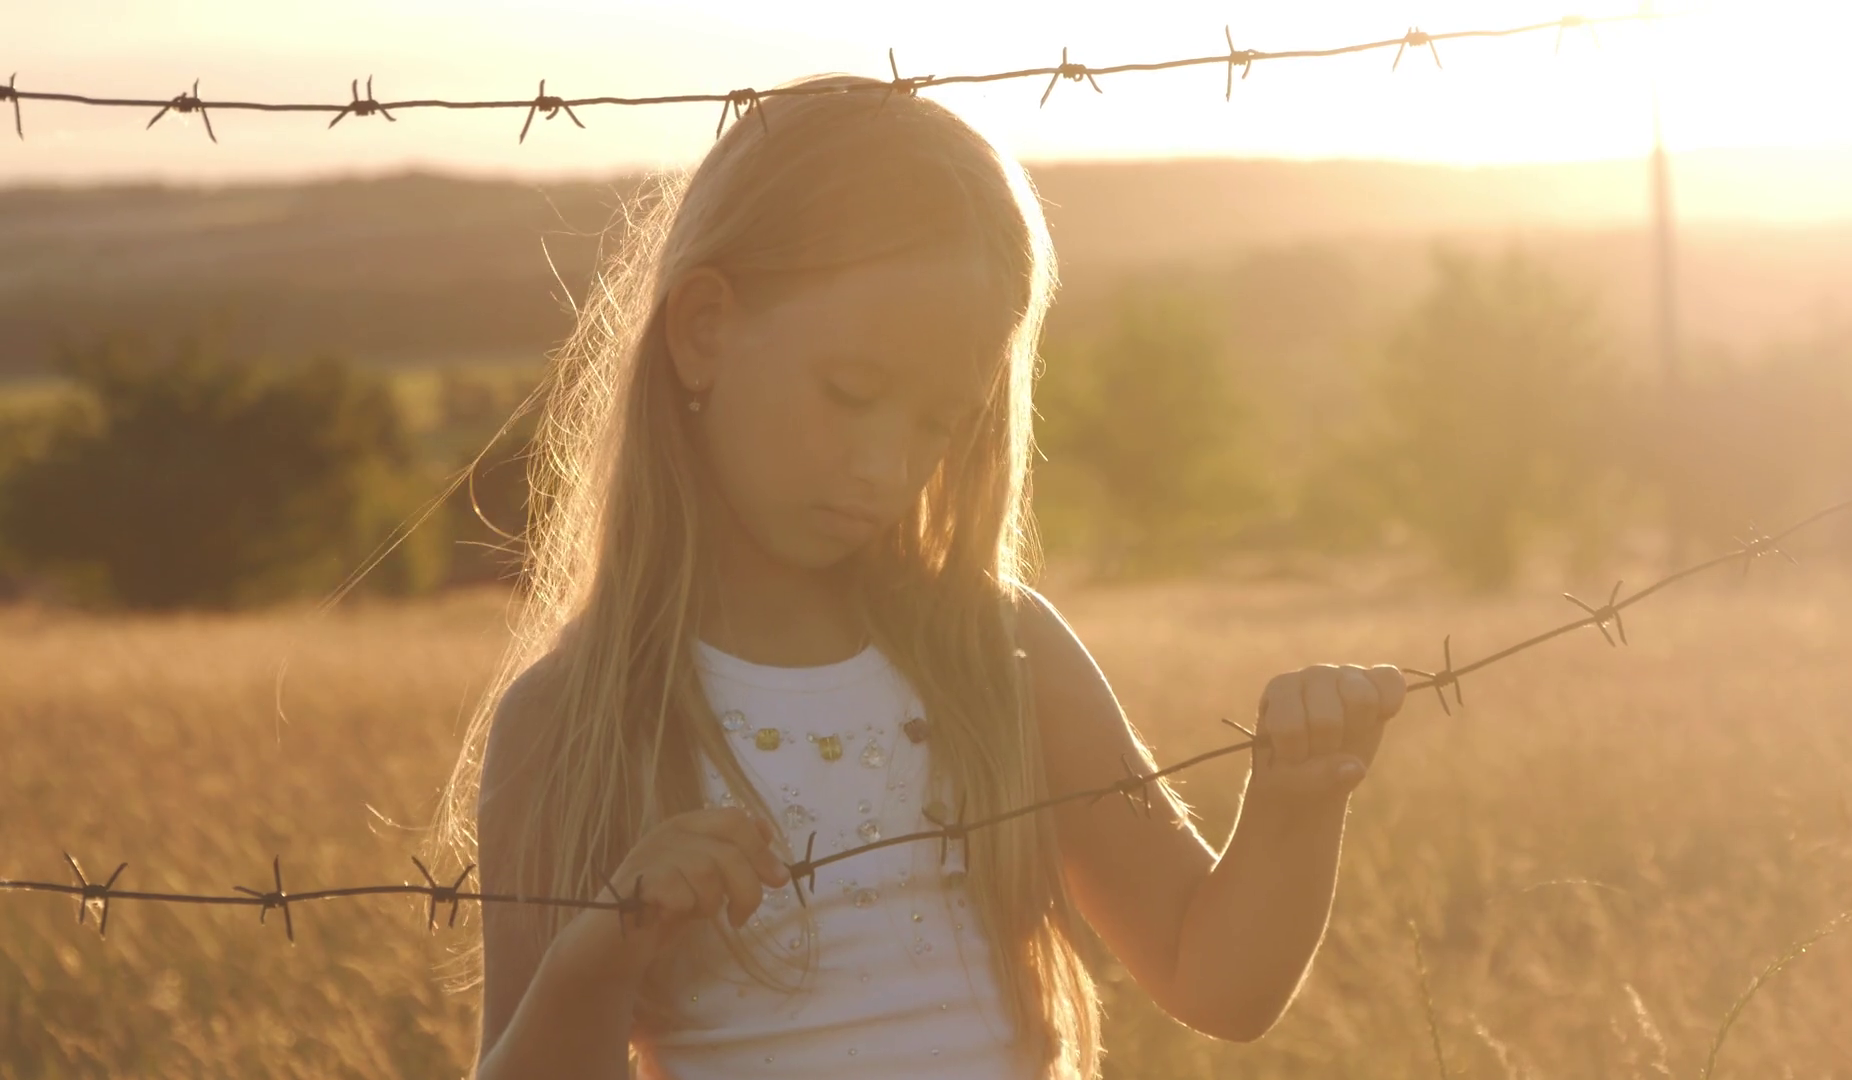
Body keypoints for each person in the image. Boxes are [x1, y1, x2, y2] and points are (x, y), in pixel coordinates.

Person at [444, 73, 1406, 1080]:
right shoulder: (576, 720)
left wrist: (1297, 801)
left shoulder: (1001, 654)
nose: (888, 466)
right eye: (851, 394)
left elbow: (1217, 981)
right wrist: (600, 955)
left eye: (941, 422)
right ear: (703, 331)